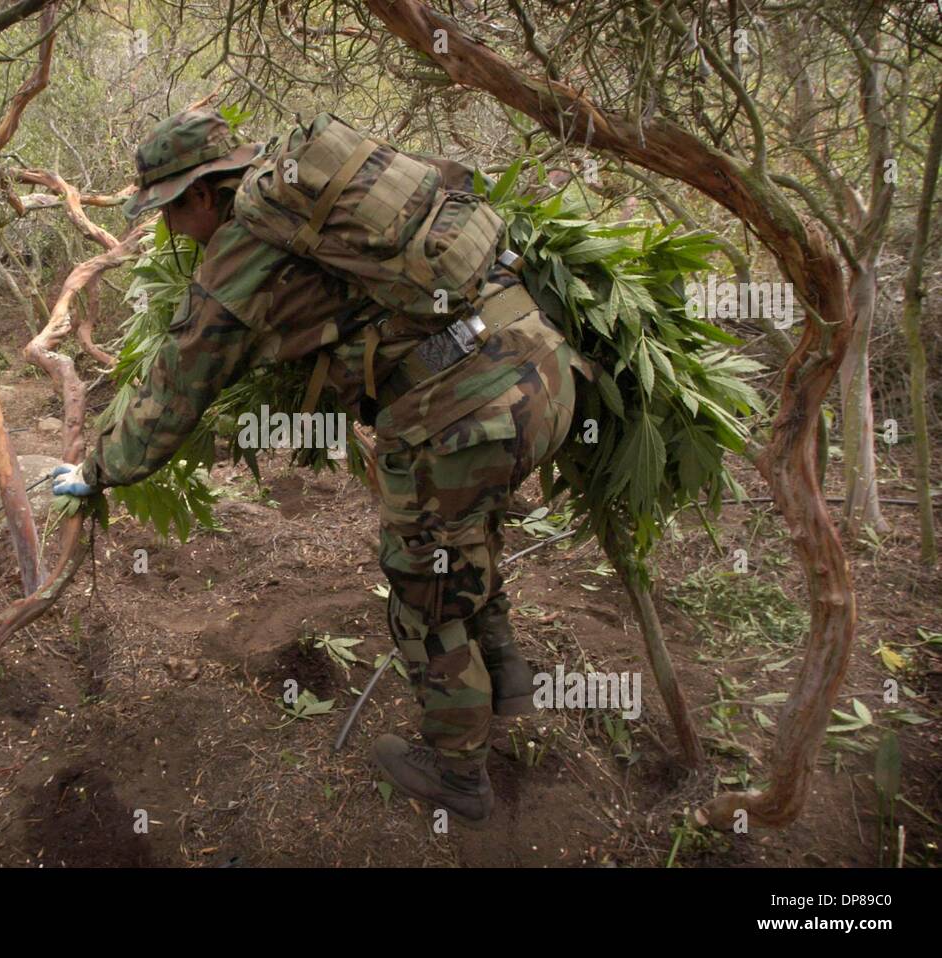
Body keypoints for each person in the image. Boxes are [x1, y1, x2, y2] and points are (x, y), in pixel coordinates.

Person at [51, 109, 582, 825]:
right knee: (466, 534)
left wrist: (99, 468)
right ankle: (508, 678)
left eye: (173, 212)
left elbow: (178, 386)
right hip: (542, 371)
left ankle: (458, 772)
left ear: (204, 194)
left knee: (422, 577)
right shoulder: (323, 192)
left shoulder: (245, 243)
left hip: (461, 414)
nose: (174, 231)